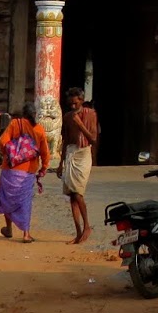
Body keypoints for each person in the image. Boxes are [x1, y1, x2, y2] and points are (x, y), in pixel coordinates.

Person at [0, 103, 49, 242]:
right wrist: (44, 167)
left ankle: (8, 228)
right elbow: (45, 152)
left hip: (9, 169)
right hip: (28, 171)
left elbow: (2, 141)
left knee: (7, 198)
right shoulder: (39, 129)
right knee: (25, 202)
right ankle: (26, 234)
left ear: (23, 114)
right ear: (35, 115)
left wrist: (10, 154)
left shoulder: (15, 124)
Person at [56, 86, 98, 245]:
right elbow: (65, 140)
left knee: (78, 192)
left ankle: (87, 226)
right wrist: (61, 163)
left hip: (84, 153)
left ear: (81, 100)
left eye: (76, 103)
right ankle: (78, 232)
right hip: (71, 153)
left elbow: (93, 139)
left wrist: (80, 124)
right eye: (70, 104)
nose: (73, 106)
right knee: (71, 195)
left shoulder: (91, 114)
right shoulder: (67, 117)